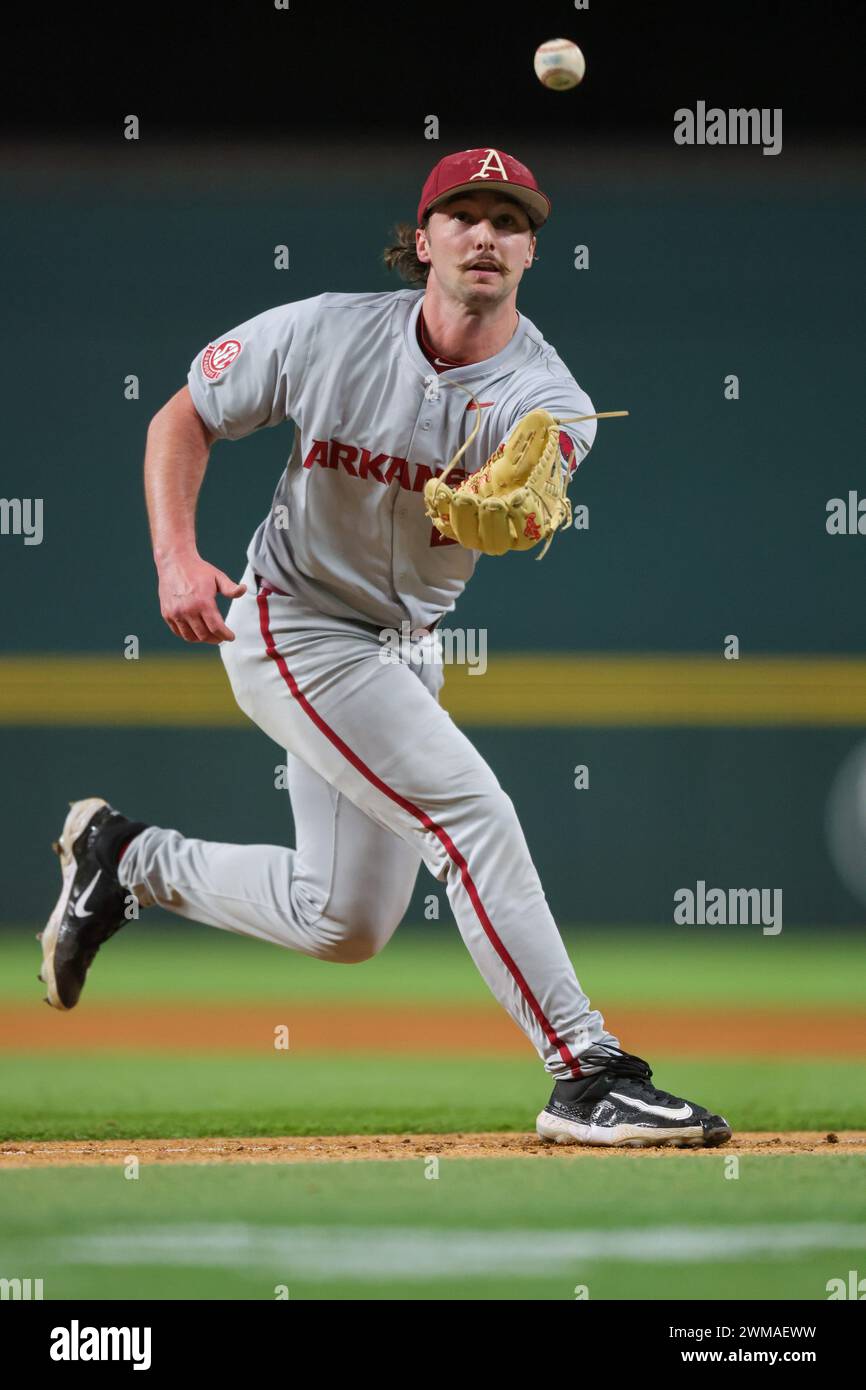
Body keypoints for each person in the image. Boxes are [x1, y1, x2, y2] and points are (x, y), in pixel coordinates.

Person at [38, 147, 731, 1148]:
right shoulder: (326, 332)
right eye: (463, 214)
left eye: (509, 218)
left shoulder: (548, 395)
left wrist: (518, 514)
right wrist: (176, 558)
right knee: (471, 815)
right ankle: (585, 1070)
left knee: (343, 921)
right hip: (292, 618)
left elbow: (531, 501)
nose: (485, 233)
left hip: (404, 644)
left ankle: (125, 856)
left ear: (532, 251)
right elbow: (182, 416)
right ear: (422, 240)